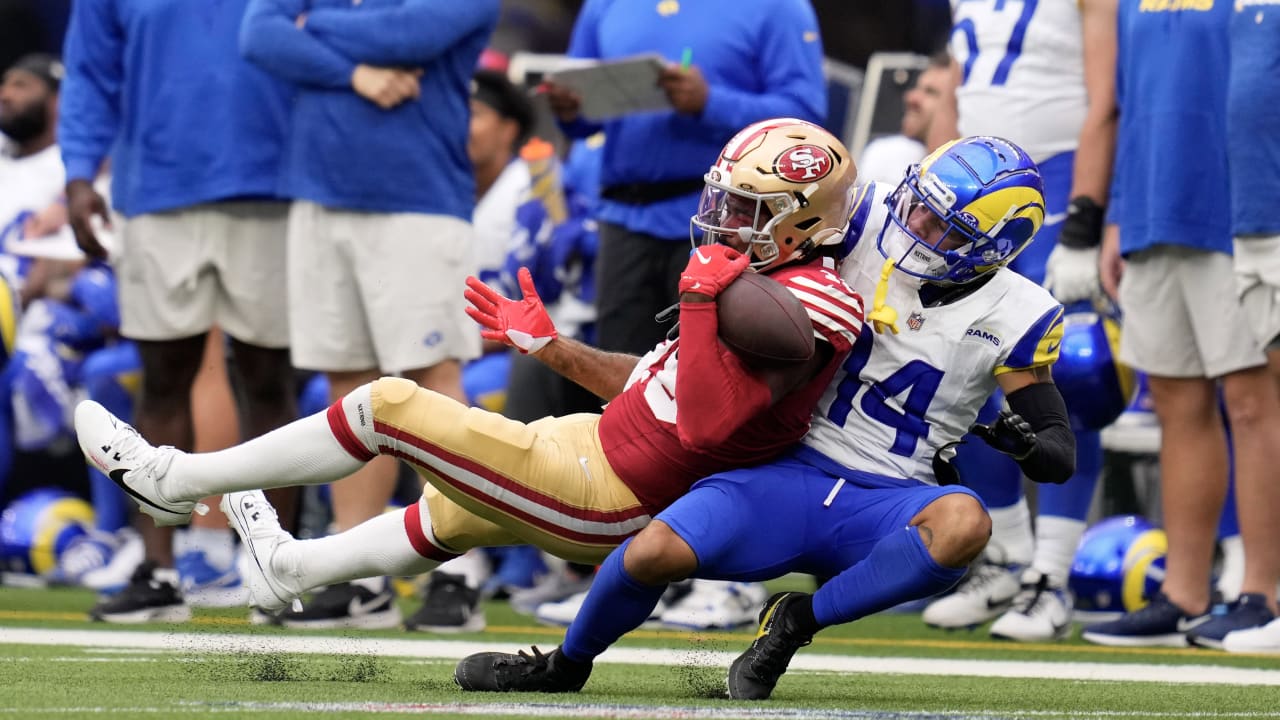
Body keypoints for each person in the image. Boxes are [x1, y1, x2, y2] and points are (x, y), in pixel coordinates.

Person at [72, 118, 866, 627]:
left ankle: (174, 480)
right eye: (723, 202)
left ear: (806, 217)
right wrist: (552, 350)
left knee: (389, 403)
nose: (724, 222)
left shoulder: (815, 304)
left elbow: (706, 423)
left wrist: (698, 304)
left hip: (614, 497)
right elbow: (656, 388)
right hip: (596, 447)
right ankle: (290, 569)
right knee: (447, 513)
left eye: (747, 209)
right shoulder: (757, 286)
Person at [452, 135, 1075, 699]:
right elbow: (775, 197)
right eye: (916, 205)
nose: (913, 227)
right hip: (785, 466)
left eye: (942, 227)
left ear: (994, 249)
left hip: (888, 491)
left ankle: (796, 621)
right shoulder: (857, 216)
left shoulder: (1018, 313)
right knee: (652, 554)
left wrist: (1024, 445)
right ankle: (563, 665)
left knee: (964, 521)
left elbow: (1058, 452)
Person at [238, 0, 500, 629]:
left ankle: (459, 568)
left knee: (432, 380)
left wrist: (313, 29)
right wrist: (354, 73)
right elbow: (257, 36)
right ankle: (357, 575)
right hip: (319, 194)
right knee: (348, 385)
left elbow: (413, 32)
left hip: (417, 198)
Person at [58, 0, 299, 624]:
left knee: (269, 381)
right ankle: (159, 571)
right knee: (163, 377)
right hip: (157, 192)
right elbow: (89, 71)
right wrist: (80, 174)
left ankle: (280, 574)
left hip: (272, 187)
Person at [1072, 0, 1280, 648]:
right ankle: (1185, 594)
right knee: (1175, 400)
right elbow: (1130, 102)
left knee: (1253, 402)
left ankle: (1264, 593)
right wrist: (1117, 215)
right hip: (1153, 208)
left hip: (1237, 209)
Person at [920, 0, 1120, 642]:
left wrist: (1085, 216)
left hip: (1055, 182)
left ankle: (1051, 577)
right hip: (972, 191)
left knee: (1069, 379)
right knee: (964, 364)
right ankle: (1004, 558)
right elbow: (951, 88)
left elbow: (1104, 98)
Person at [543, 0, 829, 361]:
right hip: (621, 220)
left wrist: (710, 103)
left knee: (707, 369)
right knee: (616, 380)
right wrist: (570, 110)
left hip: (722, 222)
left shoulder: (780, 7)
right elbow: (582, 111)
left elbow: (805, 118)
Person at [856, 50, 957, 185]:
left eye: (931, 92)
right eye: (917, 88)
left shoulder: (974, 177)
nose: (911, 98)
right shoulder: (888, 153)